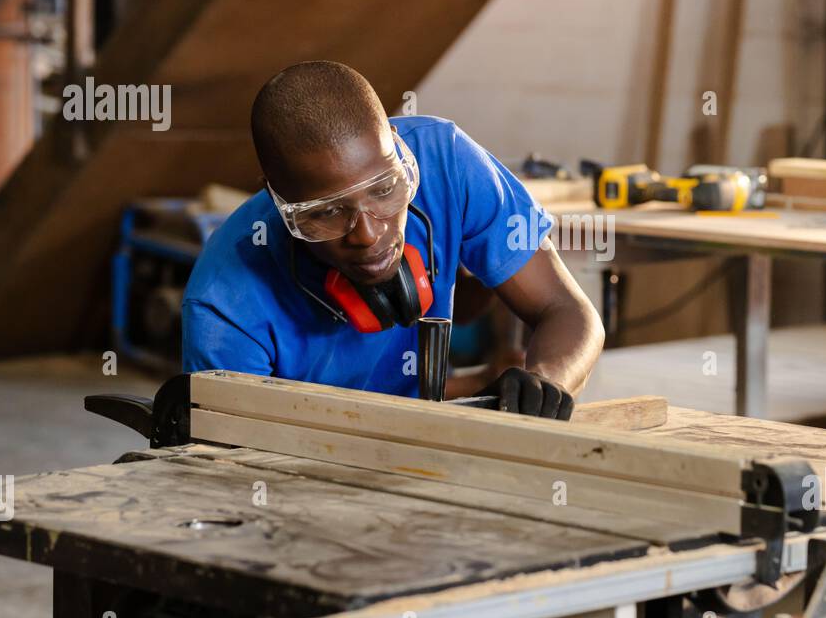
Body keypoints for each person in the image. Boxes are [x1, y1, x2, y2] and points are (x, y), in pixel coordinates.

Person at [181, 61, 603, 419]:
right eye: (326, 212)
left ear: (403, 155)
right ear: (279, 201)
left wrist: (545, 383)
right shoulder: (223, 304)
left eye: (385, 190)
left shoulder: (448, 161)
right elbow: (238, 468)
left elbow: (566, 309)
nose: (368, 235)